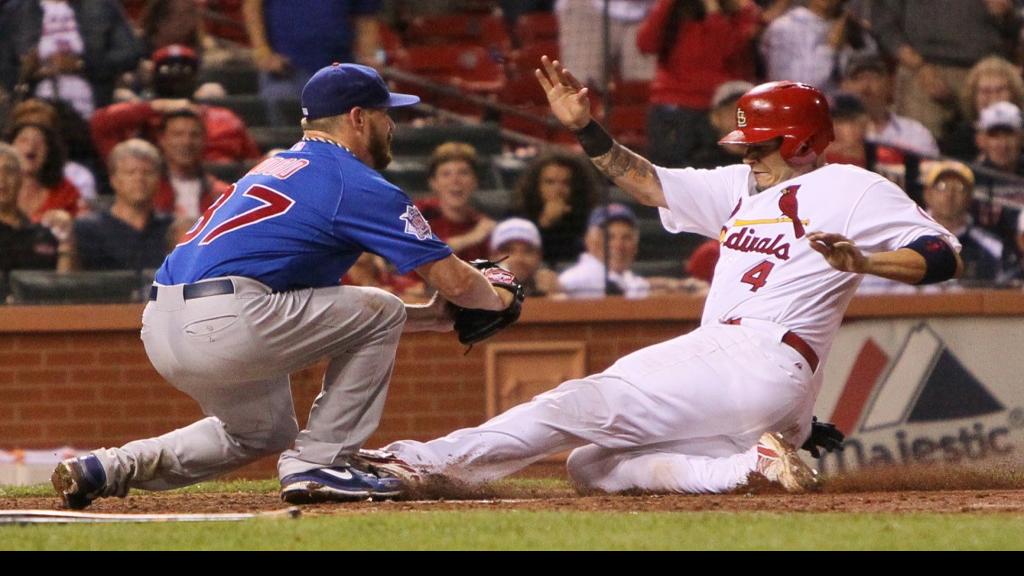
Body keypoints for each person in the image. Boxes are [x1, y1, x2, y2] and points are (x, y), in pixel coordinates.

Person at [359, 60, 964, 496]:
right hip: (769, 389)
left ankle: (417, 462)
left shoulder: (849, 186)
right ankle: (747, 466)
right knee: (590, 467)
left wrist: (868, 262)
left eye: (761, 144)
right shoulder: (741, 188)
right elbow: (646, 180)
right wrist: (586, 130)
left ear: (804, 140)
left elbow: (941, 253)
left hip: (758, 351)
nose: (747, 154)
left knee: (577, 403)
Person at [51, 63, 519, 509]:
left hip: (164, 322)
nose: (392, 125)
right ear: (358, 118)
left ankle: (107, 468)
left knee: (261, 432)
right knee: (381, 308)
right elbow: (456, 281)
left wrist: (435, 319)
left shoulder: (276, 165)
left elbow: (330, 314)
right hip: (229, 320)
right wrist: (493, 296)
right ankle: (321, 462)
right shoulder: (349, 178)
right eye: (385, 114)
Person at [636, 0, 762, 167]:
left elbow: (726, 49)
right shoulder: (672, 8)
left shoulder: (742, 9)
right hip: (673, 109)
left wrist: (713, 10)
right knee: (668, 178)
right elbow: (646, 44)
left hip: (721, 111)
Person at [870, 0, 1021, 139]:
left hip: (986, 69)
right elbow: (883, 19)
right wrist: (918, 66)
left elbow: (1016, 25)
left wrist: (1006, 14)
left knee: (999, 140)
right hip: (922, 69)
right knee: (918, 146)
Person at [90, 45, 261, 164]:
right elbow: (99, 122)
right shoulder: (140, 123)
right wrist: (158, 106)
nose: (177, 76)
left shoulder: (224, 118)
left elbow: (255, 165)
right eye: (167, 70)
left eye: (185, 70)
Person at [242, 0, 383, 126]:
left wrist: (368, 60)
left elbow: (366, 18)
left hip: (338, 71)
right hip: (286, 70)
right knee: (286, 117)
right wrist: (262, 51)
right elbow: (252, 5)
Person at [0, 0, 142, 119]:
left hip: (94, 112)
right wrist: (27, 72)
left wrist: (82, 64)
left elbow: (131, 53)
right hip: (36, 116)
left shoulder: (102, 5)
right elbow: (4, 67)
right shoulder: (16, 11)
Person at [72, 139, 175, 272]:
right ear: (113, 180)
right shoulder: (87, 229)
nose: (139, 179)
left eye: (147, 172)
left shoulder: (171, 229)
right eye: (130, 172)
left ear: (158, 180)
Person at [920, 160, 1019, 286]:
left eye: (959, 188)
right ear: (927, 194)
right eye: (942, 186)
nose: (950, 194)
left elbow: (1008, 292)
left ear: (970, 197)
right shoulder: (906, 239)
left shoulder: (993, 247)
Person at [759, 0, 876, 97]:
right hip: (803, 113)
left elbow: (872, 75)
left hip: (850, 114)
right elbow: (793, 90)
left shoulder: (853, 28)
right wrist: (830, 48)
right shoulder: (784, 29)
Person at [839, 54, 939, 158]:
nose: (866, 87)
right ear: (844, 86)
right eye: (858, 78)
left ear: (890, 84)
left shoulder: (916, 134)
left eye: (874, 77)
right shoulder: (833, 137)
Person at [511, 149, 600, 265]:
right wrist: (545, 224)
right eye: (550, 182)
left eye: (566, 183)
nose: (558, 190)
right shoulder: (518, 215)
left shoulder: (589, 217)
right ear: (536, 186)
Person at [0, 142, 74, 276]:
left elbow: (65, 288)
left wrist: (66, 243)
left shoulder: (44, 232)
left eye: (9, 171)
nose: (2, 178)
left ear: (21, 178)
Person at [415, 142, 494, 262]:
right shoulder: (419, 213)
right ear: (433, 183)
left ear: (475, 181)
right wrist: (471, 238)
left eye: (463, 173)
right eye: (446, 174)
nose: (455, 180)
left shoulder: (482, 225)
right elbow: (421, 253)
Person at [558, 203, 651, 299]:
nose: (618, 245)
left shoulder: (632, 281)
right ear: (590, 241)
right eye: (610, 237)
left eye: (626, 238)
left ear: (635, 246)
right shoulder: (576, 279)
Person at [153, 109, 231, 220]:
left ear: (204, 140)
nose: (186, 142)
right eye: (178, 135)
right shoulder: (147, 189)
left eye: (194, 135)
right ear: (162, 139)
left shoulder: (221, 194)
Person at [4, 120, 82, 222]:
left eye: (39, 142)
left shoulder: (65, 192)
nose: (31, 146)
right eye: (23, 140)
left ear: (49, 152)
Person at [489, 217, 561, 297]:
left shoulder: (551, 290)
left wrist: (552, 297)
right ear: (493, 257)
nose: (518, 258)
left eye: (528, 251)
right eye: (508, 250)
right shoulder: (478, 295)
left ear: (539, 256)